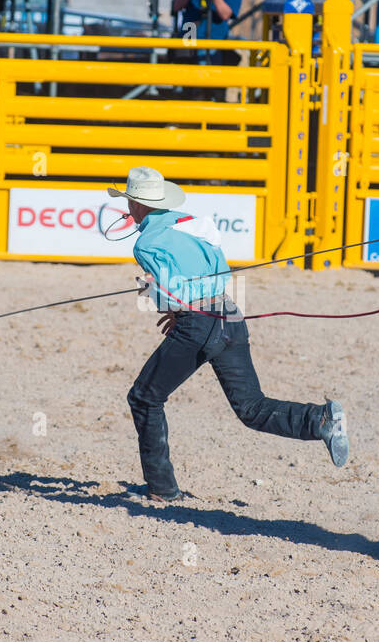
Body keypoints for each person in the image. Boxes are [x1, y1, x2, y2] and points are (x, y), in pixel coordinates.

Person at [112, 165, 349, 502]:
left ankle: (162, 488)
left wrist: (155, 297)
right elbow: (218, 272)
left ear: (136, 204)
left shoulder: (146, 243)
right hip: (230, 315)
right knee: (251, 407)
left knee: (145, 397)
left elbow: (169, 295)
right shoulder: (195, 223)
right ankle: (320, 419)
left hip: (198, 325)